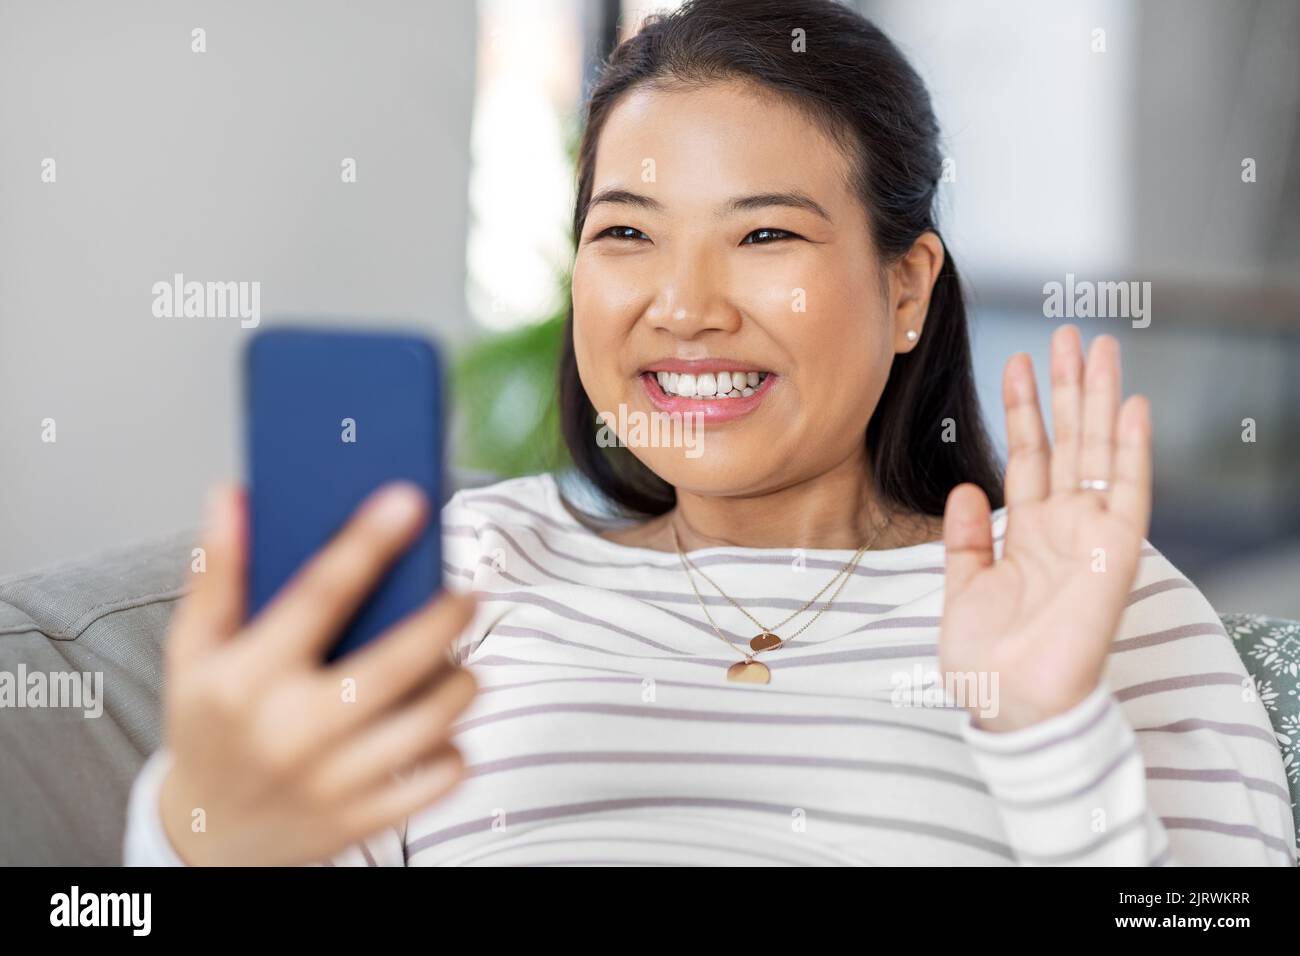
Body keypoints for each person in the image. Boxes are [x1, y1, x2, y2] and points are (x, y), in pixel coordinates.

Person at [125, 0, 1295, 866]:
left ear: (905, 288)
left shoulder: (1090, 593)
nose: (680, 306)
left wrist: (1046, 731)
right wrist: (206, 822)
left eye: (765, 237)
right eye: (626, 234)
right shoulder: (469, 562)